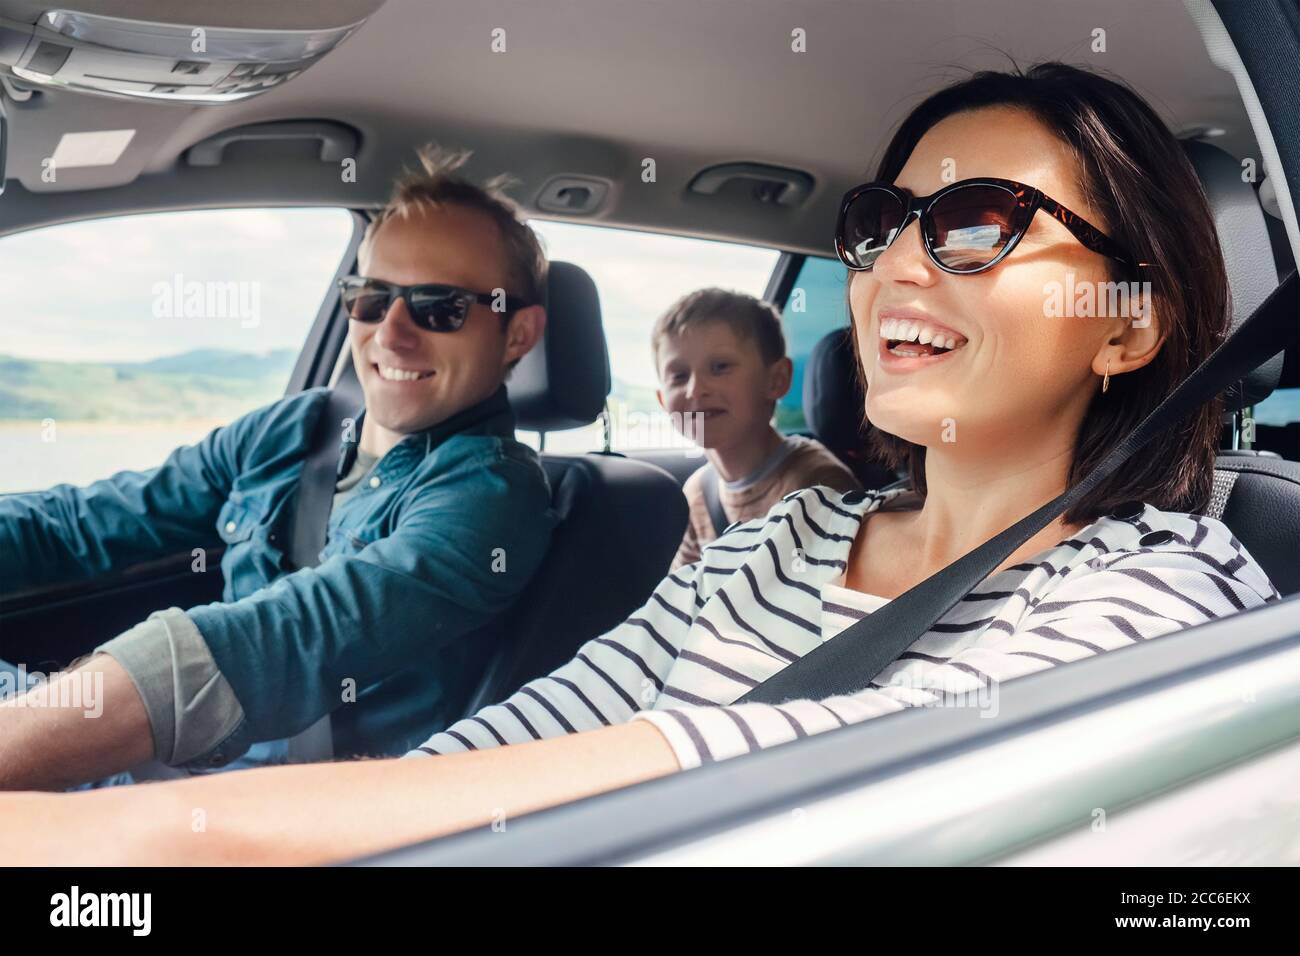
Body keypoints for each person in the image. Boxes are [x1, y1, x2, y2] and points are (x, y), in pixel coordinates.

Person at [0, 62, 1281, 865]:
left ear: (1126, 316)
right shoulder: (775, 543)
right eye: (881, 221)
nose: (891, 261)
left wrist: (165, 835)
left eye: (974, 222)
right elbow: (546, 728)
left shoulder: (1166, 586)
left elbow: (828, 757)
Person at [0, 146, 556, 790]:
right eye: (372, 299)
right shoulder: (297, 429)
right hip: (172, 766)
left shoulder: (492, 495)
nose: (392, 334)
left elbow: (287, 639)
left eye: (440, 308)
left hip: (258, 812)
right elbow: (82, 523)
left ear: (517, 335)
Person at [652, 288, 860, 569]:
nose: (695, 389)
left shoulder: (818, 485)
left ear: (776, 380)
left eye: (720, 367)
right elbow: (681, 596)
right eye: (678, 376)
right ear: (662, 400)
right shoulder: (698, 491)